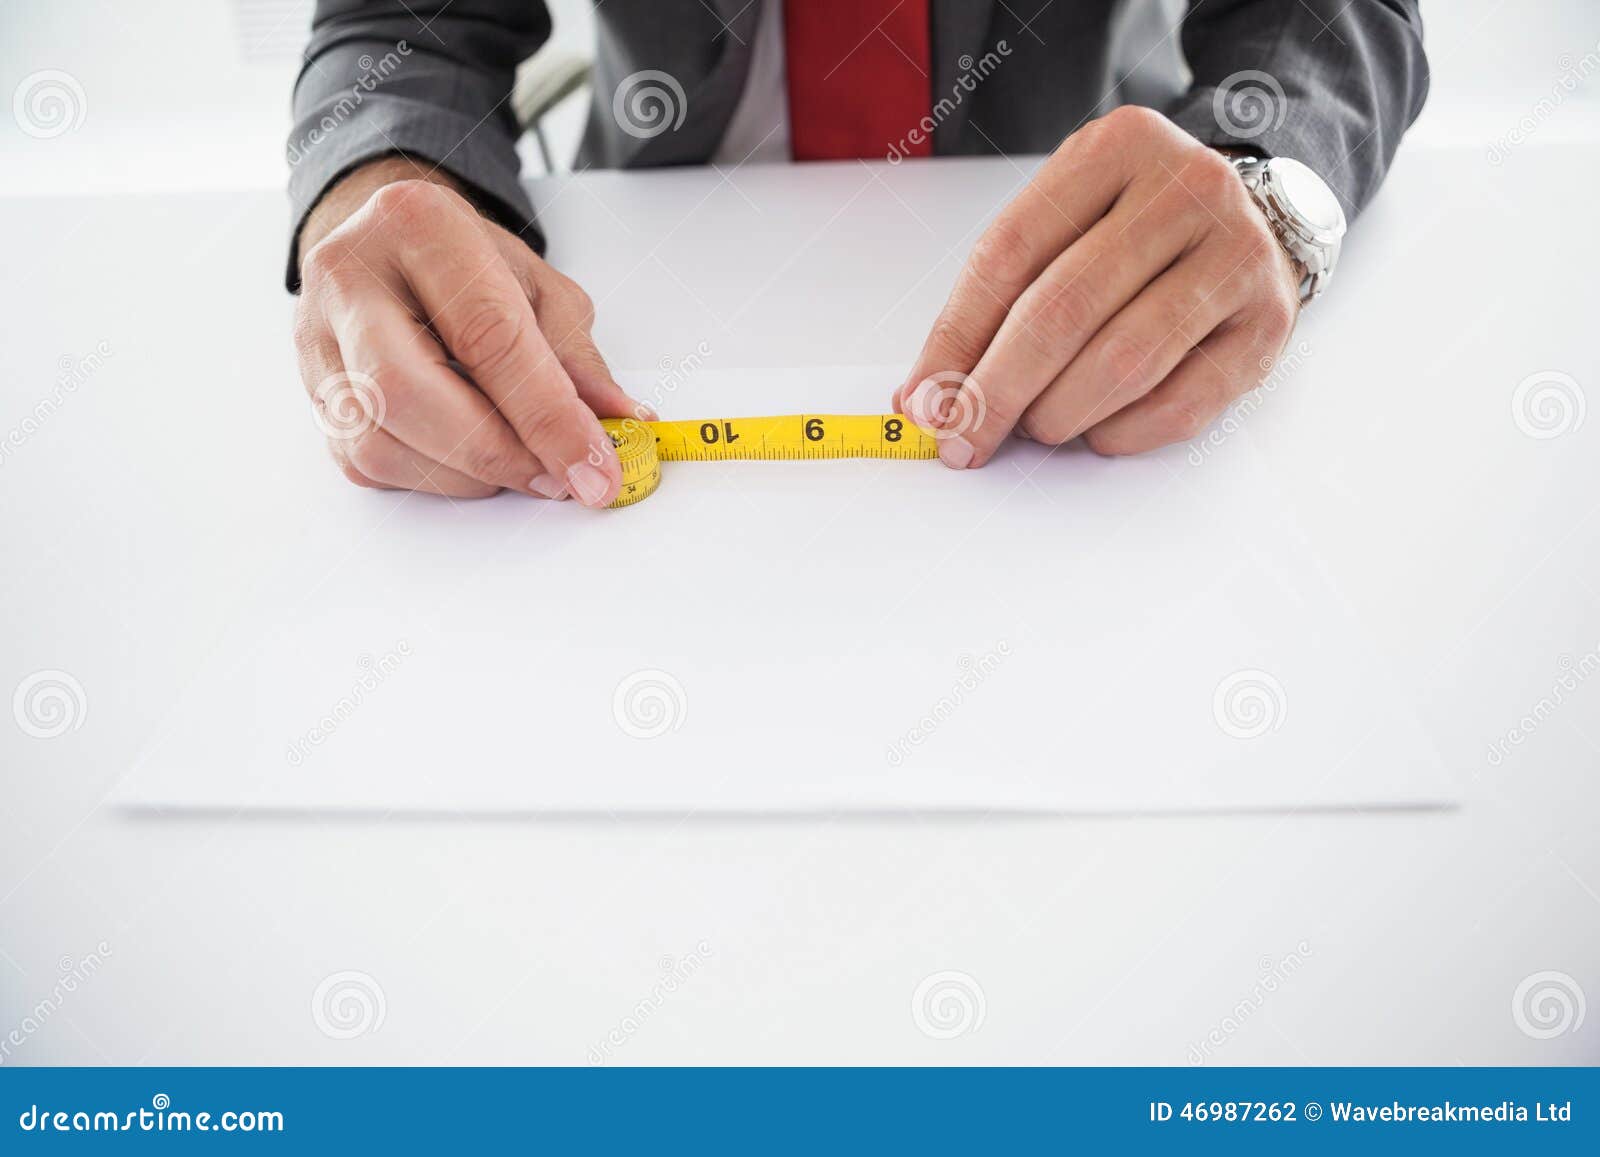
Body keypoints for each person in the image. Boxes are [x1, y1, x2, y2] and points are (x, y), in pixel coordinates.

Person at [287, 0, 1427, 507]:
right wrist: (383, 176)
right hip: (647, 249)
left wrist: (1267, 184)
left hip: (1109, 219)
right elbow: (400, 20)